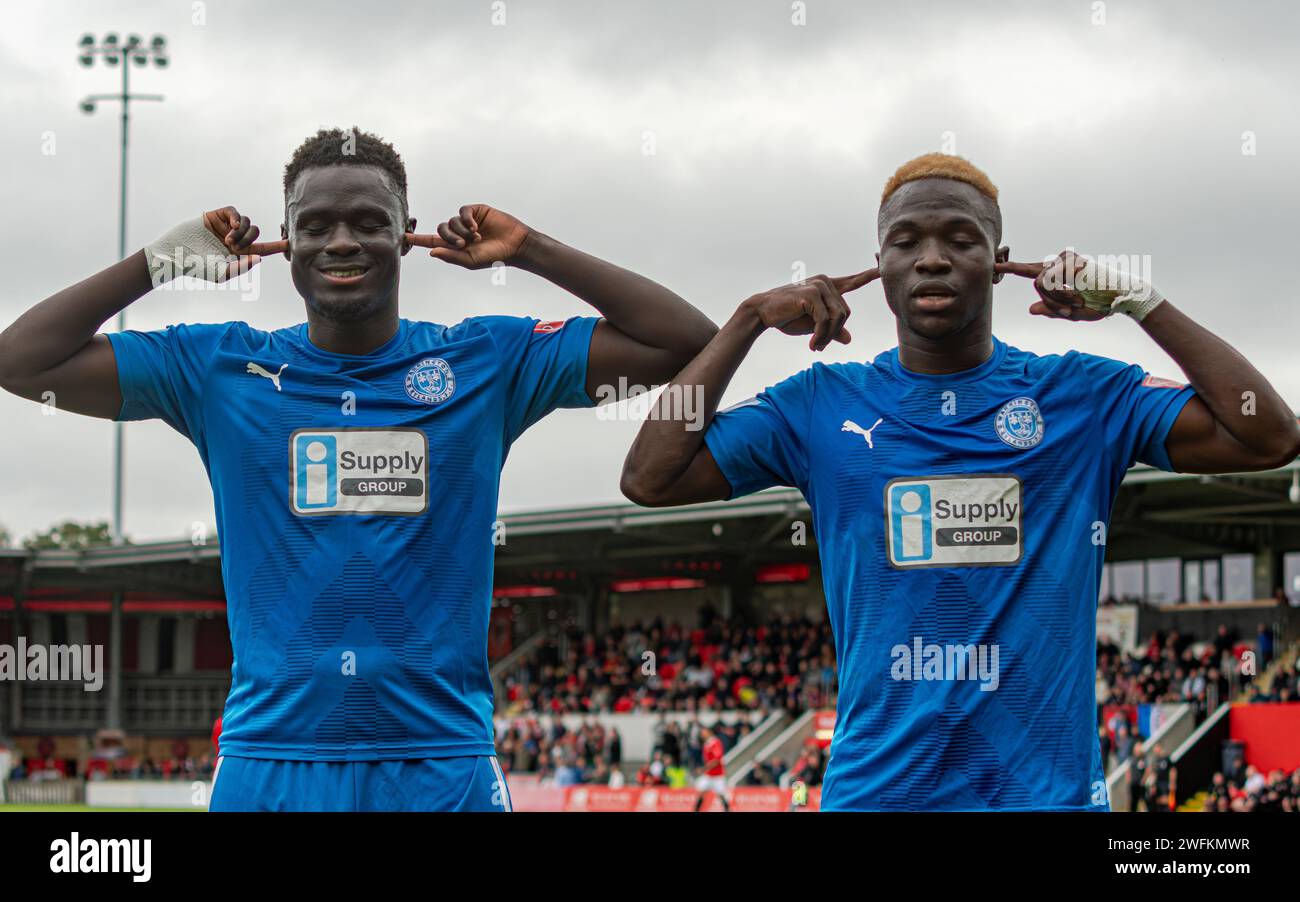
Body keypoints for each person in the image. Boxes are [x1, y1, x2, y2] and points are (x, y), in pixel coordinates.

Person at [0, 127, 716, 811]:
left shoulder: (486, 361)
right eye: (315, 226)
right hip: (269, 766)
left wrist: (530, 250)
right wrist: (159, 262)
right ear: (287, 240)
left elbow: (684, 342)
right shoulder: (217, 366)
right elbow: (21, 361)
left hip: (441, 768)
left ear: (407, 234)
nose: (341, 241)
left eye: (370, 222)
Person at [619, 152, 1300, 810]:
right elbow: (650, 476)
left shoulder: (1081, 396)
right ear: (879, 265)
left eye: (961, 239)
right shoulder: (819, 405)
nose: (932, 258)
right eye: (906, 242)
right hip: (876, 799)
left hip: (1042, 801)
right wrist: (746, 322)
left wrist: (1138, 300)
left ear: (1000, 263)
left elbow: (1268, 435)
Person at [693, 725, 729, 812]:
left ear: (709, 732)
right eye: (701, 733)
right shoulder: (707, 743)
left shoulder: (715, 743)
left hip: (717, 775)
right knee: (701, 792)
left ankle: (727, 810)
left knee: (721, 795)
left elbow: (716, 760)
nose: (702, 735)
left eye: (703, 732)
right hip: (708, 775)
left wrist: (703, 769)